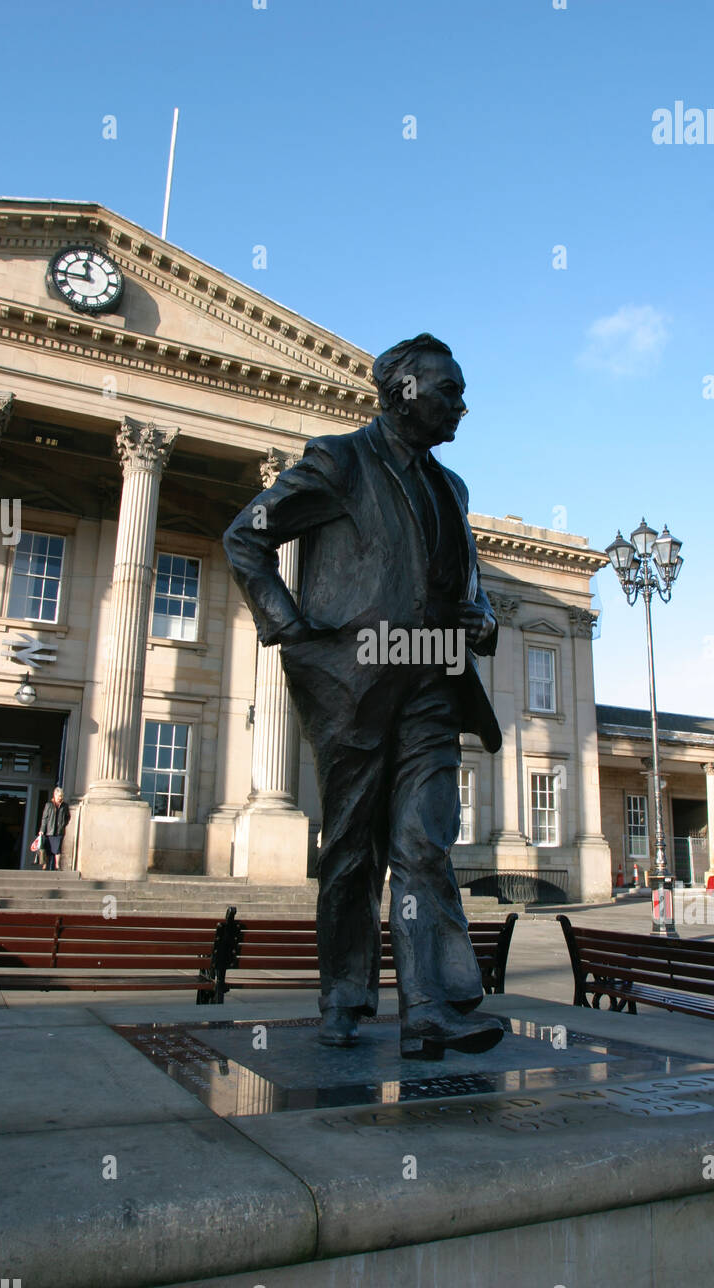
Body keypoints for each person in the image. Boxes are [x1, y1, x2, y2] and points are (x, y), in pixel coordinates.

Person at [224, 333, 505, 1060]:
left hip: (436, 682)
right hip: (354, 683)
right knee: (350, 852)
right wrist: (290, 630)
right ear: (406, 392)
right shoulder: (340, 461)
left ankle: (427, 1010)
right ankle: (345, 996)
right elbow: (243, 538)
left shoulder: (453, 487)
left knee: (422, 842)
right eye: (450, 391)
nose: (463, 406)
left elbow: (464, 580)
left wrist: (484, 615)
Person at [40, 787, 70, 871]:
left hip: (59, 831)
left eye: (61, 796)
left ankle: (57, 866)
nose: (60, 798)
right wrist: (42, 830)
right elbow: (44, 818)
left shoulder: (64, 805)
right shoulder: (49, 805)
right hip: (49, 830)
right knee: (47, 849)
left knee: (57, 849)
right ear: (55, 795)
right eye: (59, 796)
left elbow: (68, 816)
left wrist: (63, 824)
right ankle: (45, 865)